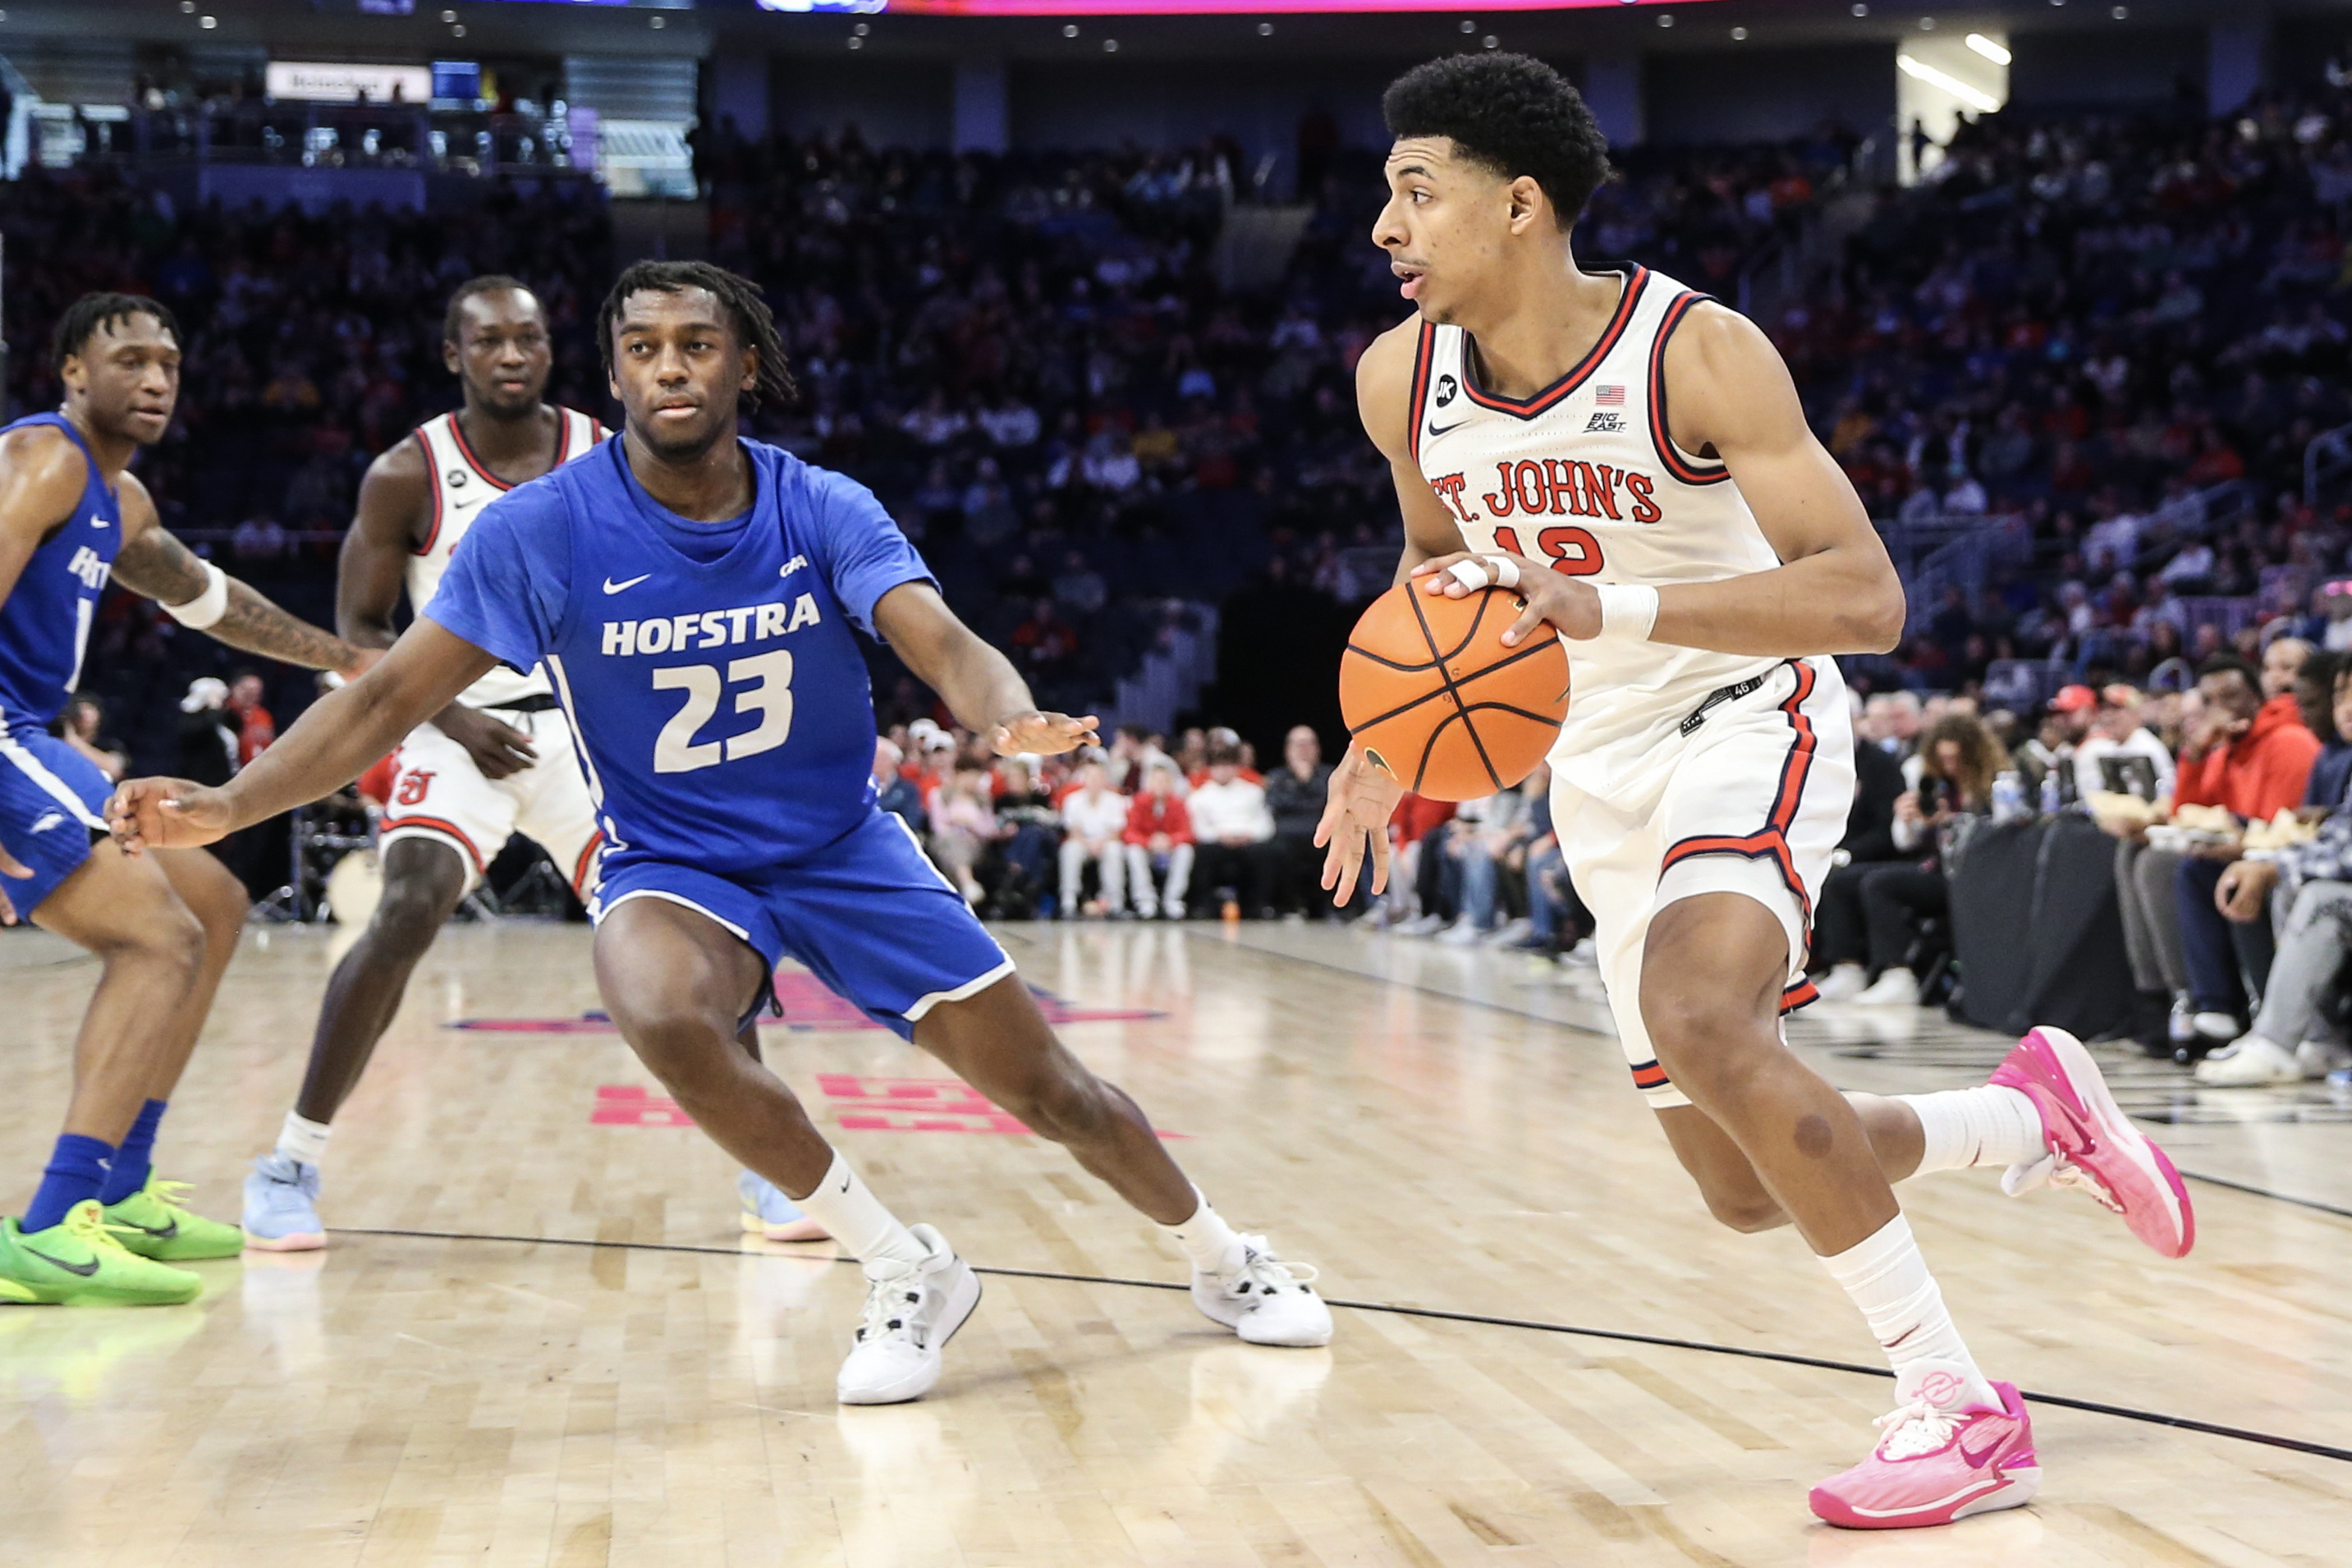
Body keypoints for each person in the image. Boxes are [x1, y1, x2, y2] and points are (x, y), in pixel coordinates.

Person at [112, 260, 1330, 1397]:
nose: (672, 367)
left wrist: (1005, 717)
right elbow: (382, 694)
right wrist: (226, 806)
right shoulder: (541, 530)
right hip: (675, 858)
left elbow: (939, 638)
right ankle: (905, 1264)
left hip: (841, 847)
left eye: (698, 345)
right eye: (643, 348)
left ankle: (1222, 1254)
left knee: (1059, 1093)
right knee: (651, 998)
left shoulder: (821, 504)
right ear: (615, 374)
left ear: (747, 364)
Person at [1313, 56, 2193, 1529]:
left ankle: (1960, 1405)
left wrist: (1618, 612)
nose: (1385, 226)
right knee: (1740, 1179)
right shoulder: (1400, 380)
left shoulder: (1695, 353)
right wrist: (1386, 735)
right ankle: (2026, 1119)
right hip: (1593, 772)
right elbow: (1432, 573)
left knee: (1707, 1020)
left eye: (1416, 191)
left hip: (1744, 711)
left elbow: (1865, 597)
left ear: (1518, 205)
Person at [239, 278, 795, 1250]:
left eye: (529, 338)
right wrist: (452, 718)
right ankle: (288, 1159)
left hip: (590, 734)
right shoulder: (406, 472)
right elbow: (362, 632)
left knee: (693, 931)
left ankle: (770, 1166)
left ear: (554, 351)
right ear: (455, 355)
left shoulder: (606, 453)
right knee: (407, 907)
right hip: (456, 726)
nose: (511, 355)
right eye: (489, 340)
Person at [0, 292, 373, 1305]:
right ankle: (50, 1223)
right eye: (128, 358)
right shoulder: (43, 458)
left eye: (168, 359)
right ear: (73, 370)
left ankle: (121, 1191)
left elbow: (215, 603)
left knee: (212, 902)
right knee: (157, 936)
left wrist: (346, 660)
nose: (155, 376)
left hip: (28, 732)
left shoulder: (120, 505)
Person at [2198, 659, 2352, 1084]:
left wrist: (2269, 865)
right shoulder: (2337, 755)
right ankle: (2318, 1039)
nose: (2347, 708)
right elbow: (2334, 837)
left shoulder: (2291, 743)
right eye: (2342, 695)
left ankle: (2275, 1042)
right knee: (2292, 889)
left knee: (2322, 898)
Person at [2171, 653, 2321, 1048]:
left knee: (2237, 872)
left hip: (2280, 856)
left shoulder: (2288, 740)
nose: (2223, 707)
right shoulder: (2226, 749)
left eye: (2232, 695)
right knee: (2187, 868)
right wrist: (2197, 754)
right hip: (2249, 850)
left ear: (2256, 697)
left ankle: (2267, 1008)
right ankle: (2208, 1004)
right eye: (2211, 700)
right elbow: (2185, 815)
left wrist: (2237, 846)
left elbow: (2284, 826)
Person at [1846, 713, 2001, 1006]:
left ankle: (1898, 973)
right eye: (1943, 759)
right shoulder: (1934, 784)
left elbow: (1991, 833)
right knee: (1846, 881)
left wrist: (1949, 821)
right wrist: (1909, 820)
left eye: (1956, 759)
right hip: (1937, 867)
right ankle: (1847, 966)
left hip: (1974, 876)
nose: (1949, 766)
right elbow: (1905, 843)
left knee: (1881, 884)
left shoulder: (1991, 784)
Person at [1810, 731, 1910, 1001]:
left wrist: (1846, 853)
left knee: (1842, 880)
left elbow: (1886, 830)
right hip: (1833, 847)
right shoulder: (1819, 760)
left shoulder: (1879, 763)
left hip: (1878, 853)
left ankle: (1890, 970)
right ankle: (1826, 966)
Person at [1187, 743, 1277, 916]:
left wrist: (1248, 835)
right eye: (1218, 766)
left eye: (1228, 765)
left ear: (1236, 767)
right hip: (1216, 842)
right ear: (1210, 769)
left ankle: (1259, 905)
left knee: (1266, 852)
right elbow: (1197, 828)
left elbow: (1266, 824)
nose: (1223, 771)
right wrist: (1220, 836)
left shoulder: (1253, 792)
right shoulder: (1199, 797)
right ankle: (1203, 906)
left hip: (1247, 840)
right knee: (1203, 853)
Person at [1262, 725, 1334, 915]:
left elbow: (1327, 803)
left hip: (1322, 832)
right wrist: (1306, 790)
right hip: (1286, 835)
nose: (1303, 750)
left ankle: (1331, 906)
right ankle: (1285, 905)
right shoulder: (1276, 777)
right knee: (1273, 850)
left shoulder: (1331, 776)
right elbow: (1276, 803)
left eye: (1308, 744)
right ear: (1288, 750)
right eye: (1298, 745)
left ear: (1318, 749)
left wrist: (1306, 782)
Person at [1057, 759, 1129, 917]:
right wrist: (1088, 844)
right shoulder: (1073, 800)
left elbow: (1116, 831)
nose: (1095, 781)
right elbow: (1072, 830)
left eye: (1098, 777)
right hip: (1082, 841)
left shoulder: (1115, 800)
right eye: (1091, 777)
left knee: (1114, 851)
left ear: (1105, 780)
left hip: (1106, 841)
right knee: (1070, 850)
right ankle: (1069, 901)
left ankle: (1115, 902)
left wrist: (1099, 843)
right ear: (1084, 780)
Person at [1123, 759, 1194, 919]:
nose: (1160, 785)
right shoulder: (1139, 802)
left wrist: (1170, 841)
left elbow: (1187, 832)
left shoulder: (1178, 803)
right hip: (1148, 849)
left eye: (1164, 781)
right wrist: (1149, 842)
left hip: (1169, 849)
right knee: (1133, 851)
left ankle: (1173, 900)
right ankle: (1145, 901)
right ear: (1149, 782)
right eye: (1157, 780)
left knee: (1185, 850)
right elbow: (1129, 832)